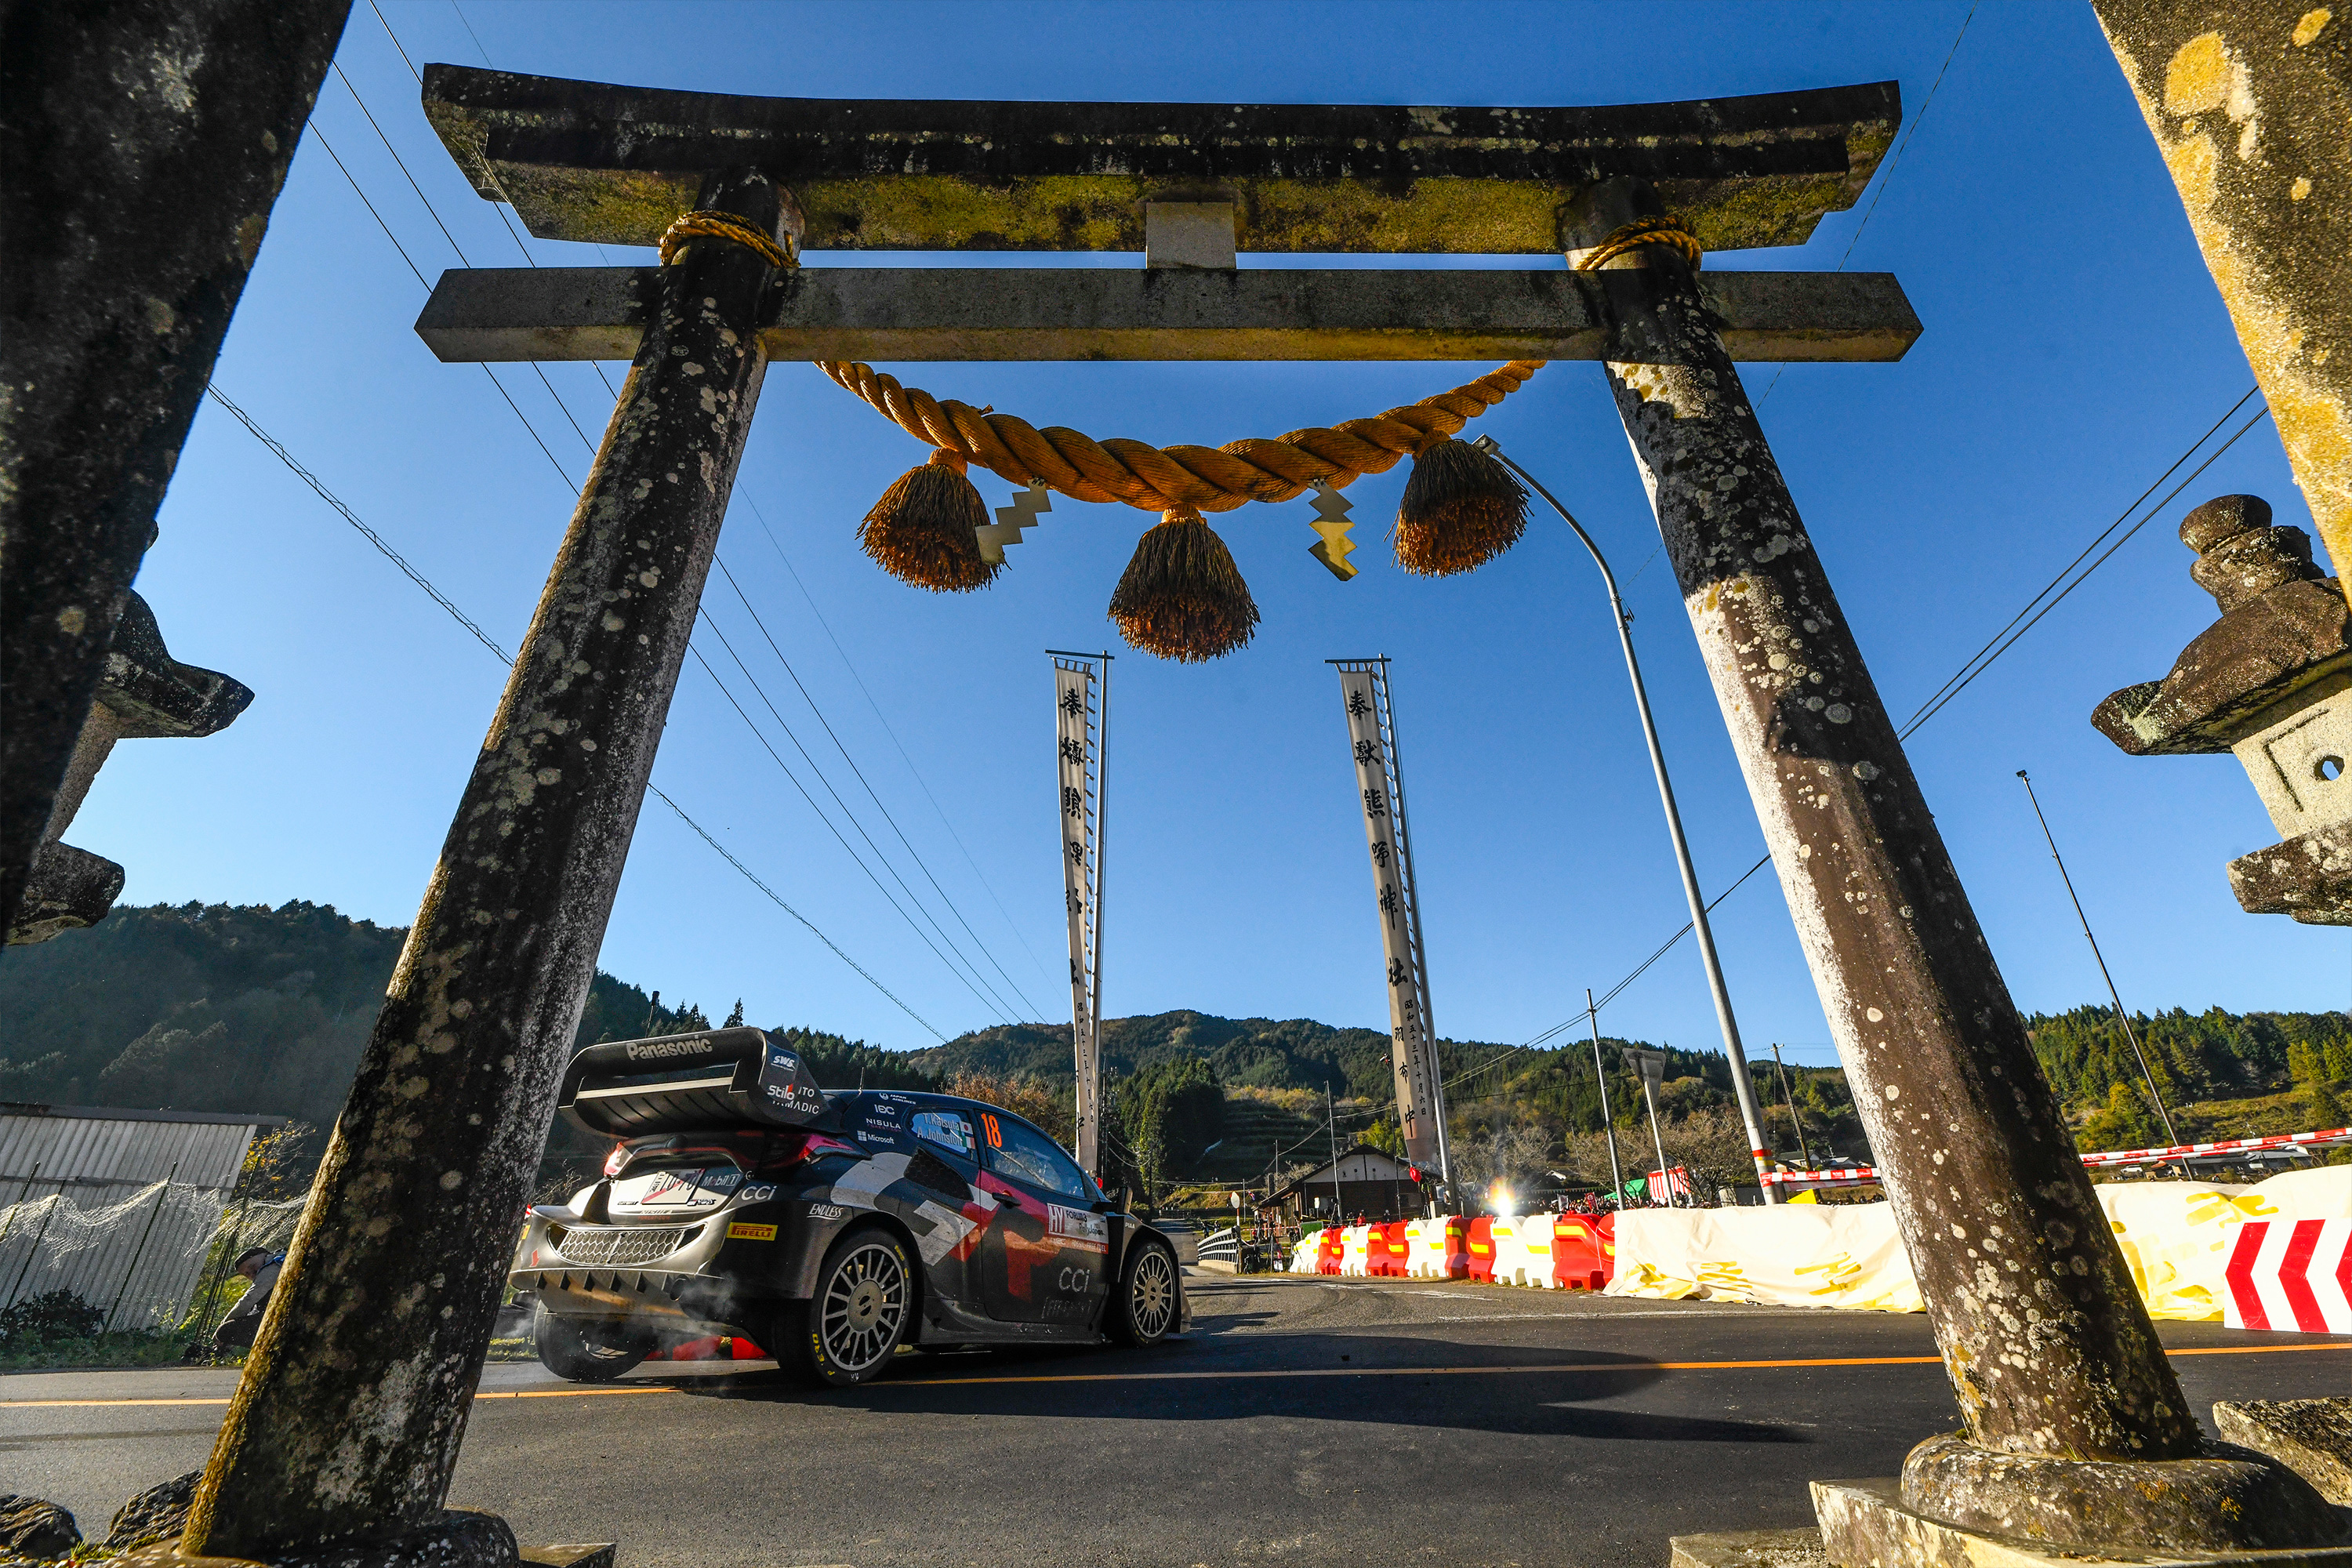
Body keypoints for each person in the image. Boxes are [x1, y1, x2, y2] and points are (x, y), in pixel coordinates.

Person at [210, 1247, 284, 1355]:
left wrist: (221, 1327)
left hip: (285, 1319)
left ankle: (274, 1350)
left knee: (225, 1331)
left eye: (253, 1266)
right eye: (247, 1274)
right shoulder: (280, 1259)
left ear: (266, 1255)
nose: (252, 1274)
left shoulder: (273, 1264)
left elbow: (248, 1300)